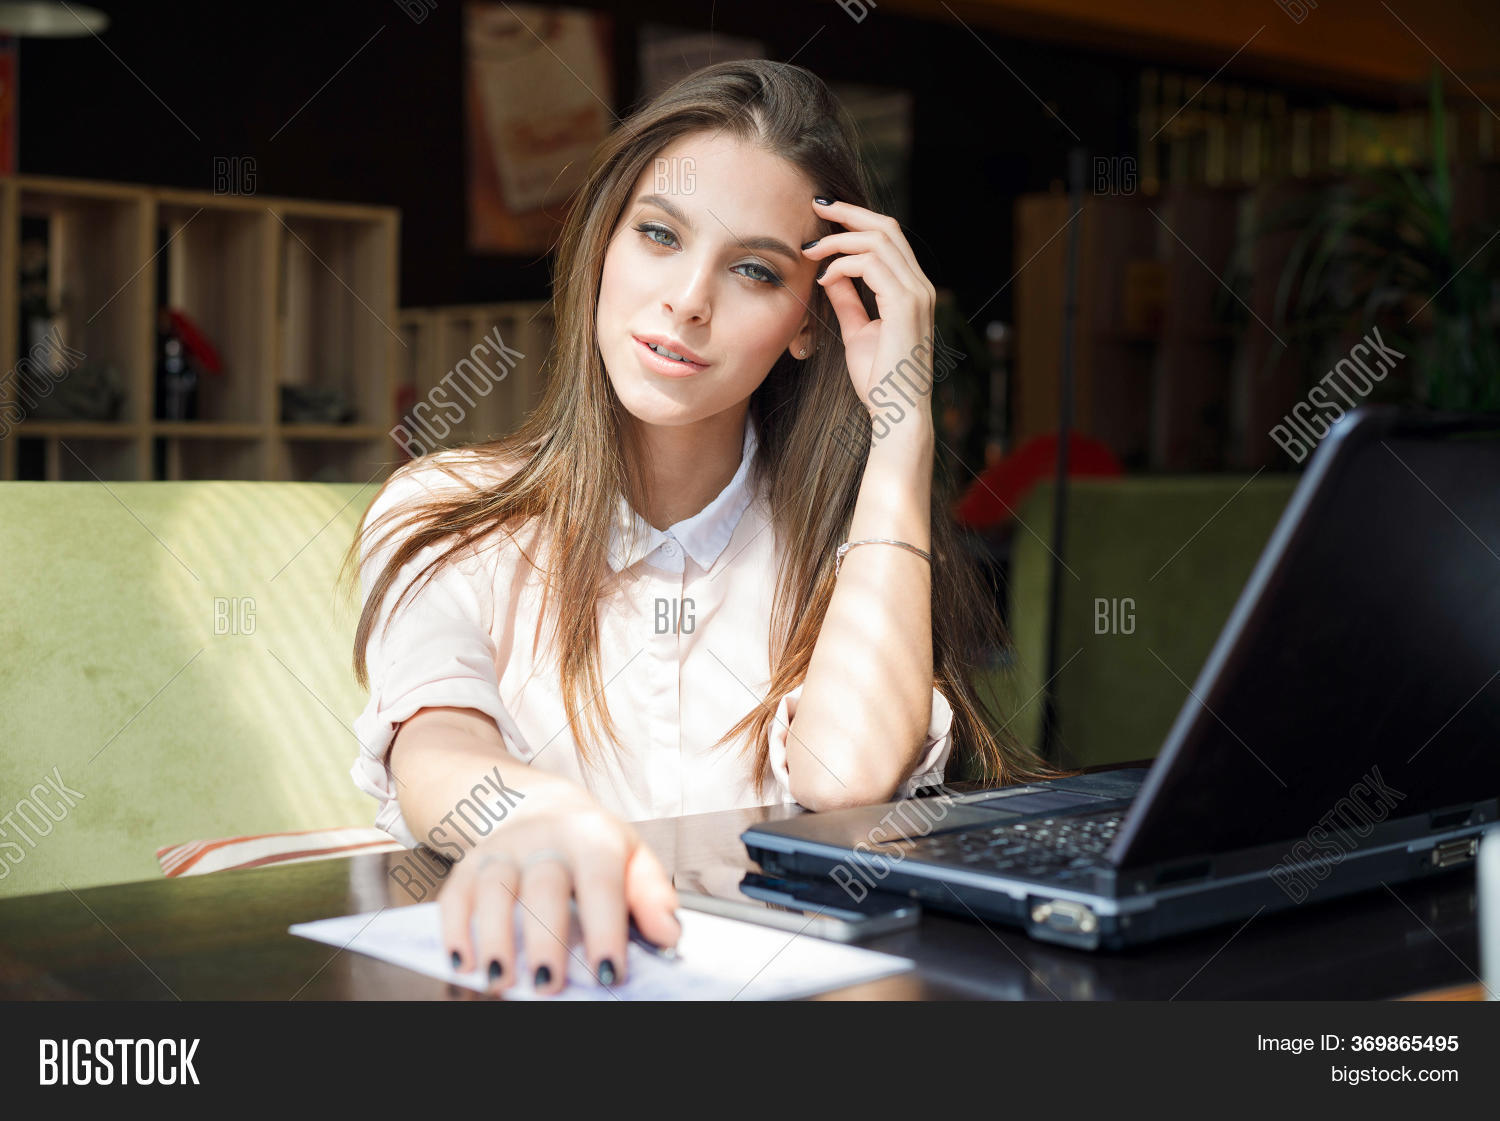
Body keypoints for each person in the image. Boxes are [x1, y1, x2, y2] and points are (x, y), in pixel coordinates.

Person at [340, 59, 1054, 998]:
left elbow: (846, 781)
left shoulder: (842, 550)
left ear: (809, 321)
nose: (688, 299)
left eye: (755, 269)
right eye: (659, 235)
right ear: (602, 245)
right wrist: (536, 821)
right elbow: (437, 749)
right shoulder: (446, 509)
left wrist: (901, 428)